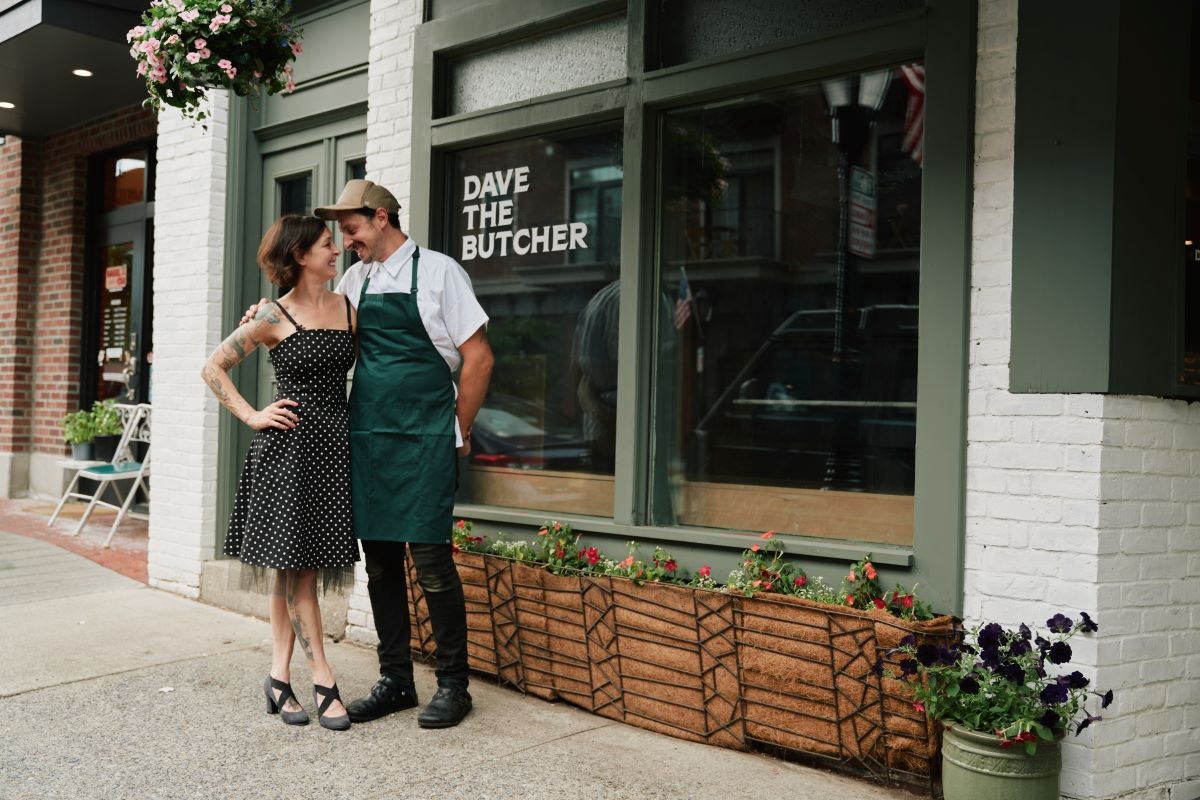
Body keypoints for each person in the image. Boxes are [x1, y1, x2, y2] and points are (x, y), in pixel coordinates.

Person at [247, 179, 494, 728]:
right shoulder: (352, 283)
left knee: (431, 563)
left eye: (352, 229)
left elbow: (478, 359)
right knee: (381, 566)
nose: (346, 241)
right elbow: (308, 325)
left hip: (427, 434)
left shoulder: (439, 272)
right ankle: (397, 681)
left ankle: (454, 685)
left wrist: (460, 425)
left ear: (381, 218)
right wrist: (261, 318)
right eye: (340, 234)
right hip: (369, 437)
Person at [203, 214, 358, 731]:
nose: (335, 250)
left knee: (290, 569)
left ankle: (276, 677)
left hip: (332, 454)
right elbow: (212, 368)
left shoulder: (347, 307)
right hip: (287, 454)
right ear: (300, 255)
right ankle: (323, 678)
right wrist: (252, 415)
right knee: (300, 571)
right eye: (326, 244)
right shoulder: (272, 314)